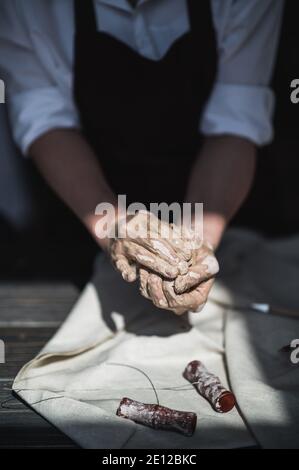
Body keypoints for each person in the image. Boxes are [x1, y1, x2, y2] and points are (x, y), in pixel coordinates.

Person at [0, 0, 283, 314]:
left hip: (224, 198)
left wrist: (196, 245)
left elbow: (236, 121)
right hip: (83, 211)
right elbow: (44, 122)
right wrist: (114, 225)